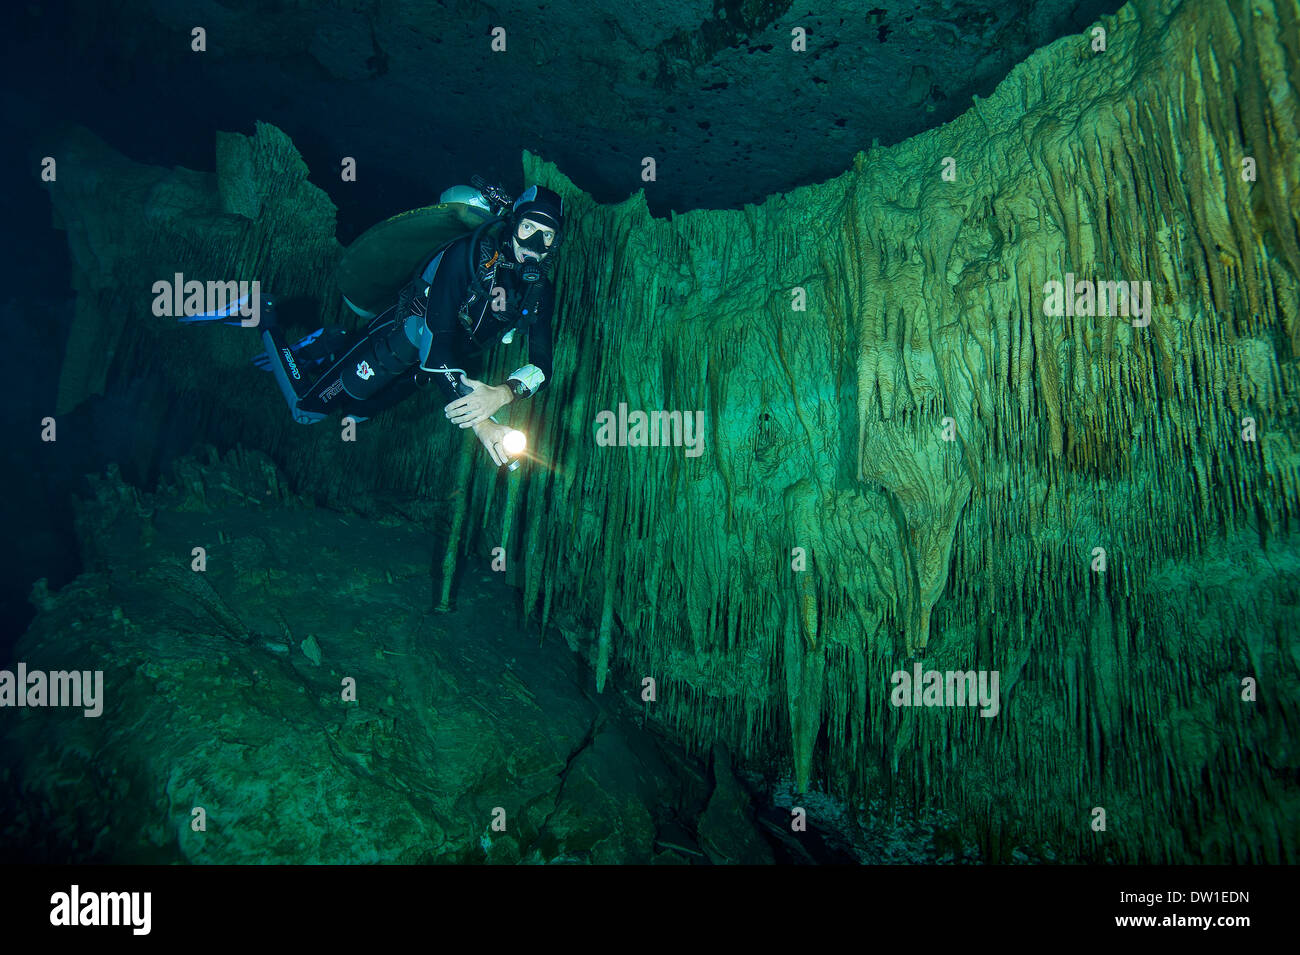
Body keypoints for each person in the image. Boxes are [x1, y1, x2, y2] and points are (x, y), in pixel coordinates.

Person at [256, 185, 565, 465]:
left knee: (356, 413)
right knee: (307, 411)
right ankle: (264, 316)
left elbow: (542, 366)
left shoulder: (540, 291)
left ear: (555, 242)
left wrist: (503, 393)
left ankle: (334, 341)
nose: (536, 243)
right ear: (513, 225)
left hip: (424, 373)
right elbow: (435, 341)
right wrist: (483, 424)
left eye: (547, 234)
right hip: (398, 342)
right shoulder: (467, 256)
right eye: (528, 227)